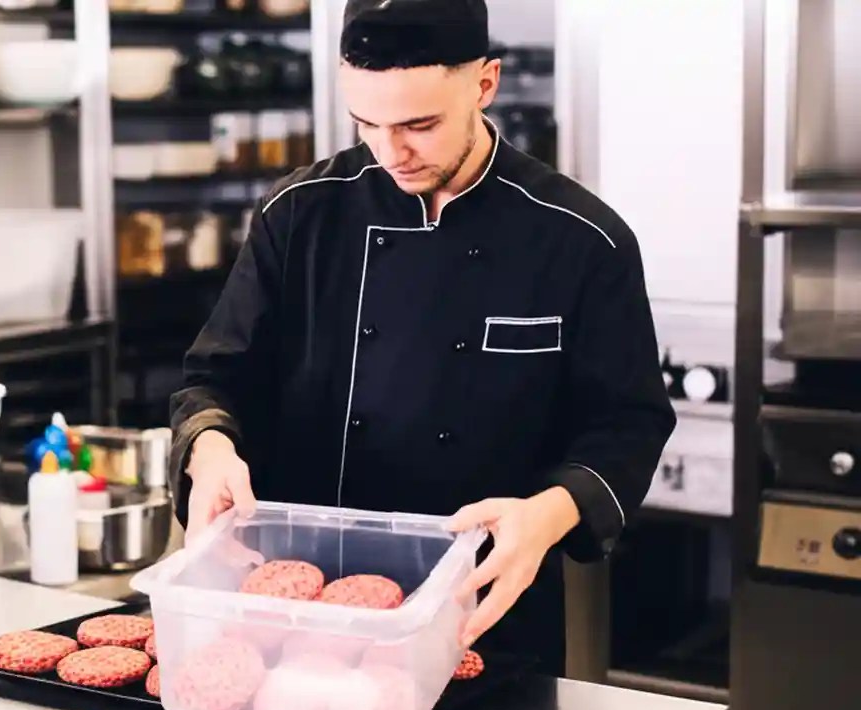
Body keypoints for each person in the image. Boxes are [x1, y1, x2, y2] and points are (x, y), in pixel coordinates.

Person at [167, 0, 676, 675]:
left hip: (485, 618)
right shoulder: (299, 216)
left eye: (420, 125)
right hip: (296, 616)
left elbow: (628, 424)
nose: (390, 152)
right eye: (366, 124)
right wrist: (210, 449)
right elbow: (215, 379)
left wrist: (551, 513)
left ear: (485, 84)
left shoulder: (581, 240)